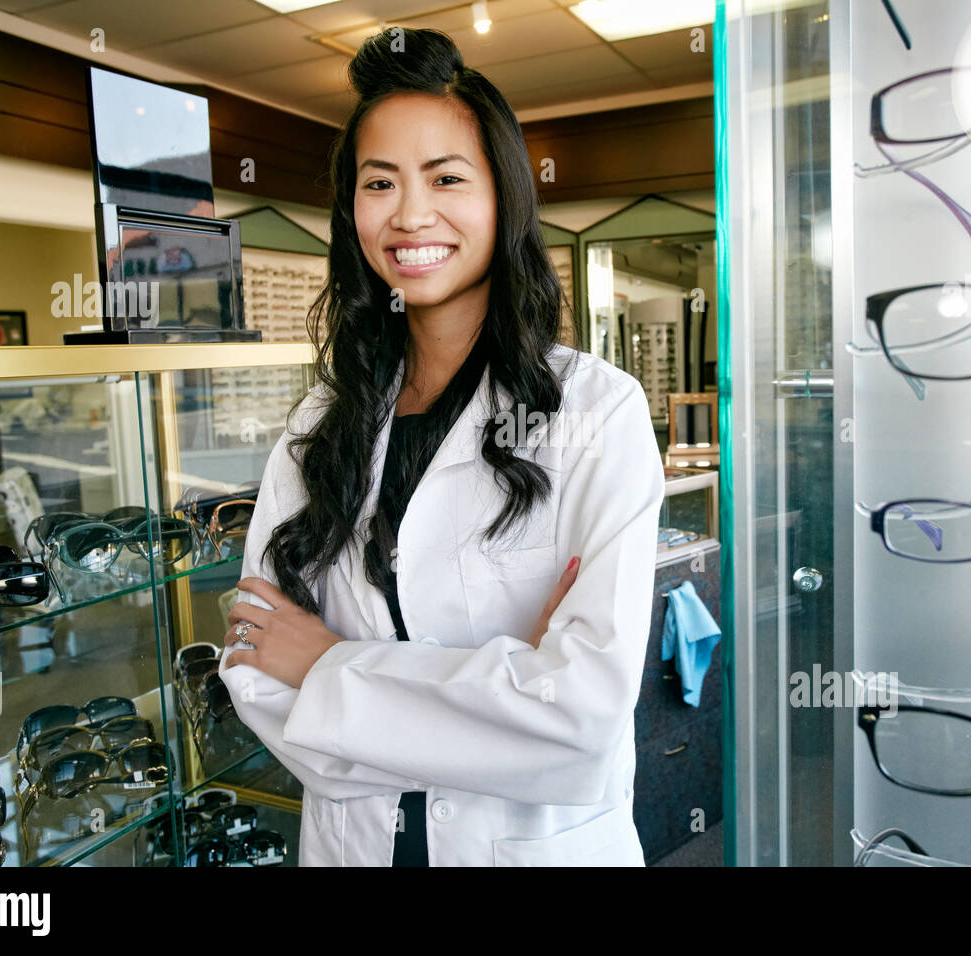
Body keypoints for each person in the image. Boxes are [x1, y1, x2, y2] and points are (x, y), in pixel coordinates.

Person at [217, 27, 666, 867]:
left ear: (503, 196)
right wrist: (495, 699)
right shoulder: (321, 425)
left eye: (446, 178)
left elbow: (582, 722)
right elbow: (256, 674)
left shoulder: (597, 413)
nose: (411, 214)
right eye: (379, 182)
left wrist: (330, 667)